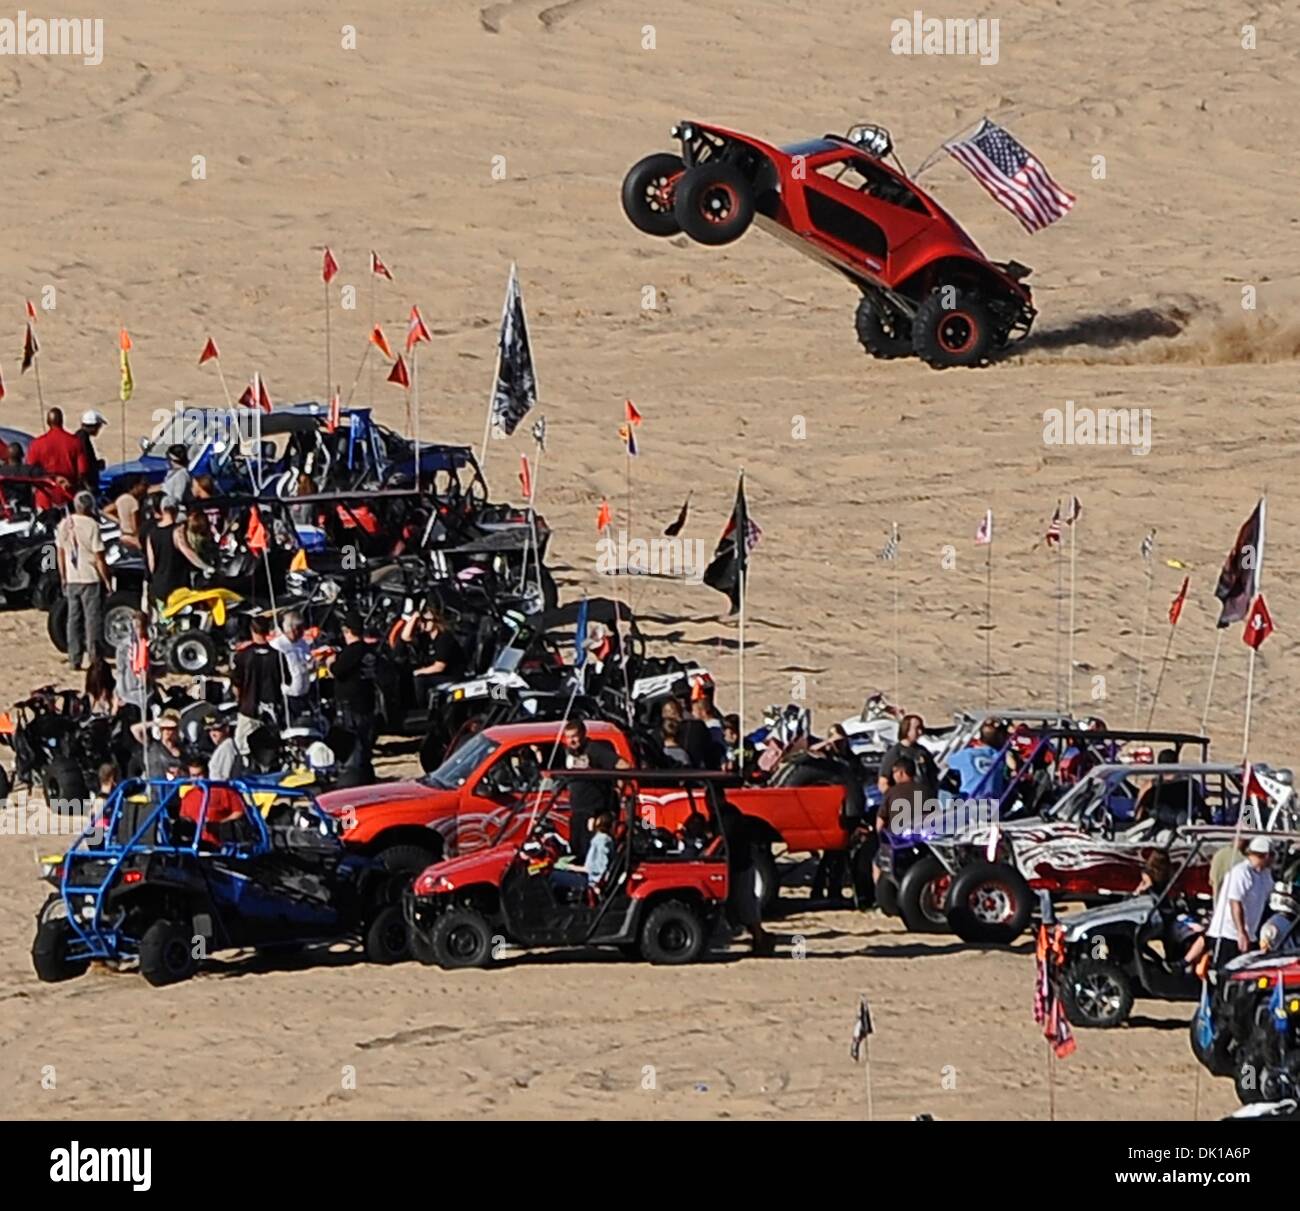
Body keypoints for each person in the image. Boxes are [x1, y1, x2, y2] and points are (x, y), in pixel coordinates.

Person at [556, 718, 628, 863]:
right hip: (577, 812)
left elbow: (623, 765)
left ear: (583, 734)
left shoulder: (594, 750)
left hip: (594, 812)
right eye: (568, 737)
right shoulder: (567, 752)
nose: (571, 741)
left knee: (593, 855)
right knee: (577, 852)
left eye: (575, 736)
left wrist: (619, 785)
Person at [55, 490, 111, 671]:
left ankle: (74, 657)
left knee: (74, 619)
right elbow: (99, 557)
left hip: (72, 577)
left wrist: (63, 576)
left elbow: (61, 553)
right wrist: (107, 580)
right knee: (92, 619)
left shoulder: (64, 524)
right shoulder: (92, 525)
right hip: (90, 577)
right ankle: (95, 658)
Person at [1206, 836, 1275, 967]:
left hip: (1251, 935)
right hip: (1228, 934)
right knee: (1226, 973)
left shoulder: (1265, 875)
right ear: (1266, 855)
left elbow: (1270, 896)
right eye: (1272, 855)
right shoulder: (1241, 873)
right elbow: (1235, 902)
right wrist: (1241, 932)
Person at [720, 799, 776, 955]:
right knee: (740, 907)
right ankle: (760, 939)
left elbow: (726, 839)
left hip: (740, 866)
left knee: (746, 906)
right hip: (735, 865)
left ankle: (762, 940)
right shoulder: (721, 814)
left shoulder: (727, 816)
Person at [328, 612, 378, 783]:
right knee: (365, 747)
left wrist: (330, 662)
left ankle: (353, 781)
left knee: (353, 748)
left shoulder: (352, 651)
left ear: (347, 631)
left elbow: (337, 670)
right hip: (367, 703)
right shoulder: (369, 651)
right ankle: (367, 779)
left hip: (351, 706)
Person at [146, 495, 210, 607]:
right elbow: (187, 551)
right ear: (175, 510)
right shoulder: (177, 531)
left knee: (164, 621)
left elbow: (151, 565)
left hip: (158, 588)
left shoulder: (151, 534)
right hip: (177, 588)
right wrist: (205, 567)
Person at [232, 617, 283, 753]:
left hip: (249, 709)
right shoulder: (278, 656)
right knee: (271, 748)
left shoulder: (242, 655)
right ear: (268, 630)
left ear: (251, 630)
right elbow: (285, 682)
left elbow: (236, 683)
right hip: (272, 710)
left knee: (243, 748)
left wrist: (239, 700)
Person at [25, 407, 90, 509]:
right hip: (69, 494)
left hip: (45, 496)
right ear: (62, 421)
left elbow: (30, 471)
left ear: (48, 422)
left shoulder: (36, 444)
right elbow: (83, 471)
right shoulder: (75, 442)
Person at [178, 754, 248, 846]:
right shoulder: (188, 796)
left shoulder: (223, 791)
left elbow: (239, 812)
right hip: (195, 844)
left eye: (199, 775)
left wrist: (220, 824)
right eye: (193, 775)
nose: (196, 779)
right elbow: (184, 817)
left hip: (220, 844)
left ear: (207, 773)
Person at [550, 810, 616, 898]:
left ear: (598, 822)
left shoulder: (601, 840)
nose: (588, 821)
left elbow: (596, 868)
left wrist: (568, 866)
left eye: (591, 819)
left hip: (591, 881)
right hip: (592, 879)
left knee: (551, 875)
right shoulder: (602, 838)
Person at [876, 714, 939, 800]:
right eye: (917, 728)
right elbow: (883, 783)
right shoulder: (894, 753)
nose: (920, 732)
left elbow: (933, 775)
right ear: (906, 729)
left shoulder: (922, 751)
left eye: (921, 728)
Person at [944, 721, 1009, 797]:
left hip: (971, 797)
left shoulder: (968, 754)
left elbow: (946, 763)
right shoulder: (999, 757)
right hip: (989, 799)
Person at [271, 611, 314, 719]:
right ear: (292, 629)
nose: (303, 632)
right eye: (300, 628)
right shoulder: (278, 646)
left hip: (305, 693)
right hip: (289, 695)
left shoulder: (303, 644)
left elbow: (308, 660)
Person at [113, 610, 151, 714]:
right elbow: (120, 670)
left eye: (139, 626)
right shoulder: (125, 646)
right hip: (128, 690)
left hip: (146, 691)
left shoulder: (150, 645)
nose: (137, 630)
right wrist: (119, 691)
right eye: (135, 626)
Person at [131, 711, 186, 780]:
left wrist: (179, 772)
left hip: (175, 787)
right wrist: (156, 723)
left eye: (171, 728)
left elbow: (188, 771)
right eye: (165, 728)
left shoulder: (183, 749)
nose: (168, 731)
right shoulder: (152, 745)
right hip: (156, 787)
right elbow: (134, 729)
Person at [105, 476, 148, 550]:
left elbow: (106, 511)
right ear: (136, 486)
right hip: (132, 536)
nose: (145, 488)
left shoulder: (121, 498)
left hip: (123, 535)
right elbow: (135, 525)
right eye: (143, 485)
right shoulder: (134, 502)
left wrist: (119, 521)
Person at [75, 410, 108, 491]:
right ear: (94, 427)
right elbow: (86, 463)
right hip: (85, 485)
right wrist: (98, 465)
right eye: (99, 426)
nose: (99, 429)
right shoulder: (83, 440)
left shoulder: (80, 436)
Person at [205, 716, 245, 781]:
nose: (212, 734)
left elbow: (223, 778)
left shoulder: (226, 747)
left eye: (216, 730)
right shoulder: (225, 746)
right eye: (209, 730)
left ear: (226, 729)